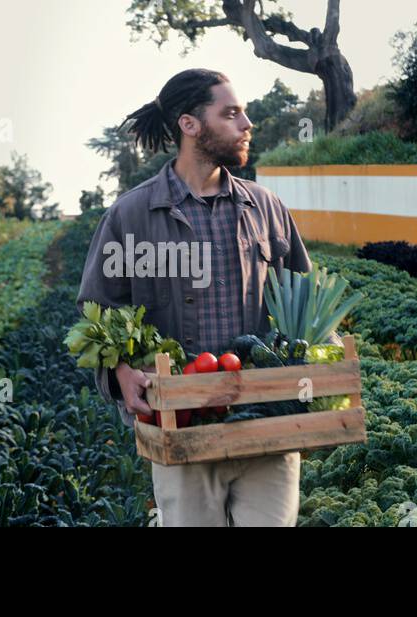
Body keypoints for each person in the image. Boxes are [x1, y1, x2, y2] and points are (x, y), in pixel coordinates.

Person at [76, 68, 340, 527]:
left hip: (267, 427)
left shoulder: (267, 209)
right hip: (183, 430)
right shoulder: (132, 215)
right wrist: (119, 372)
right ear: (190, 124)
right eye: (231, 113)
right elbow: (94, 310)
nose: (246, 124)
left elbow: (308, 299)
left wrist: (327, 366)